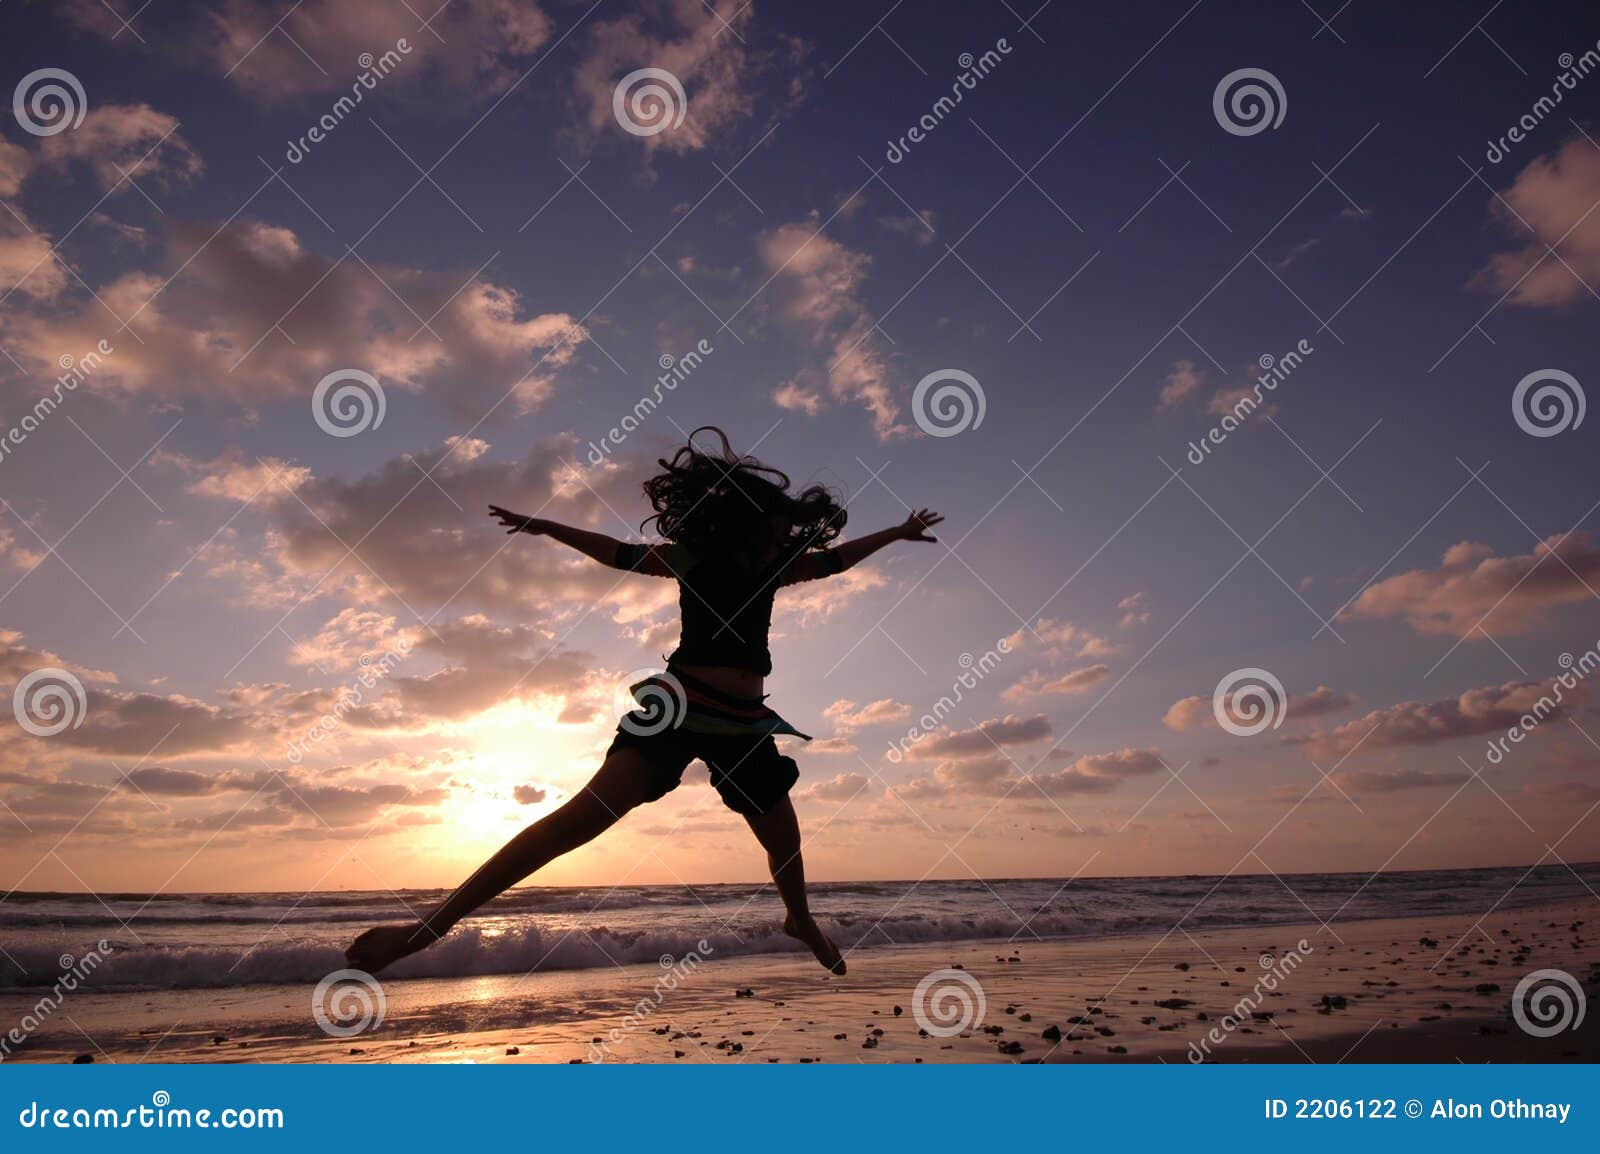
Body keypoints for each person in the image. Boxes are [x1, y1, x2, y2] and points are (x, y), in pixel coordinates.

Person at [345, 427, 942, 976]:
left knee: (783, 839)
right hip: (678, 708)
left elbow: (838, 562)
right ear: (744, 523)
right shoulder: (693, 558)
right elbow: (614, 551)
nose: (781, 537)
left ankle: (800, 920)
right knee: (577, 821)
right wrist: (549, 527)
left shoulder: (776, 567)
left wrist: (896, 532)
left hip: (742, 723)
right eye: (772, 526)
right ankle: (427, 928)